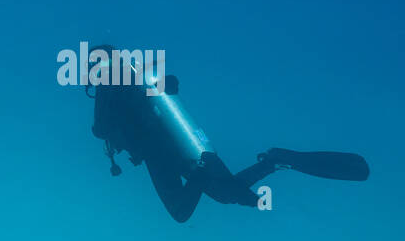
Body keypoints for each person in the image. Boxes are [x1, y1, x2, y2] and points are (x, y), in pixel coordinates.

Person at [86, 44, 369, 223]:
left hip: (161, 151)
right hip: (188, 146)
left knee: (182, 211)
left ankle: (266, 172)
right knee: (226, 193)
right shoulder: (133, 78)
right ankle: (274, 162)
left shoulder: (108, 88)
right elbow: (167, 85)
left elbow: (101, 129)